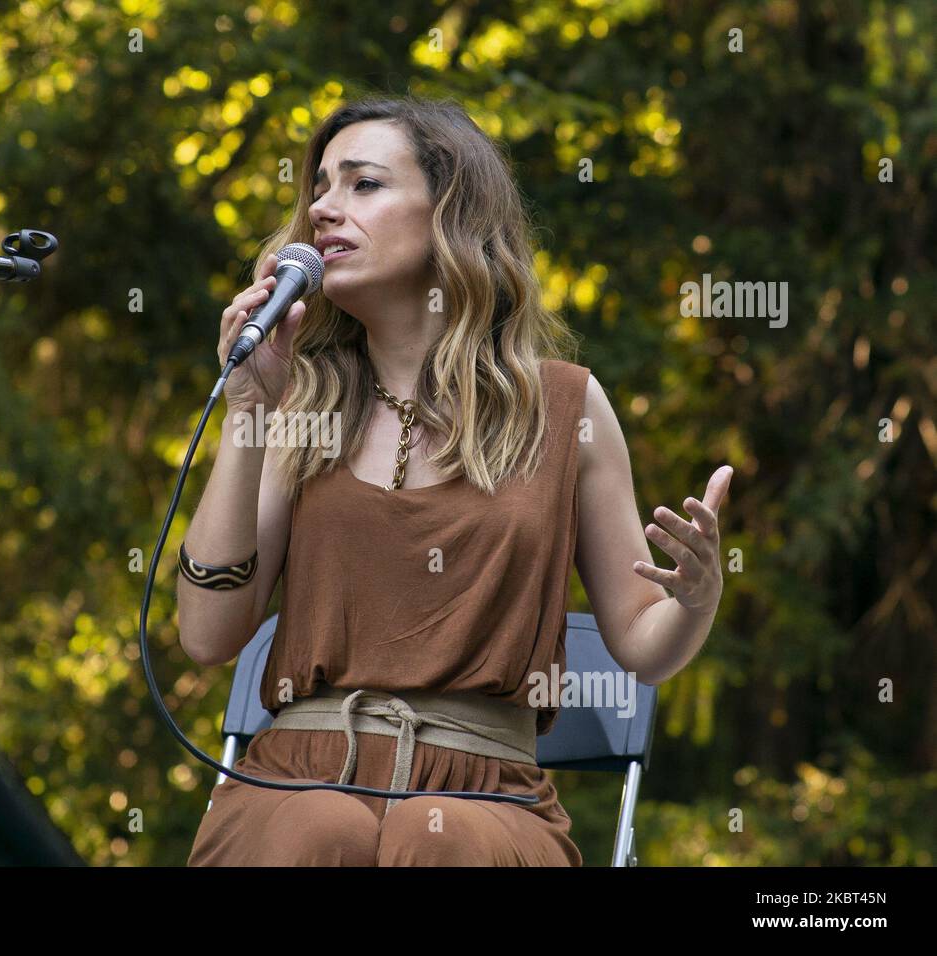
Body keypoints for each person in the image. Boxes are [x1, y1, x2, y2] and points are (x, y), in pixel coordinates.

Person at [179, 94, 732, 866]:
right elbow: (207, 636)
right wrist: (247, 414)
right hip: (296, 780)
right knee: (318, 831)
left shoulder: (568, 407)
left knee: (440, 840)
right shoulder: (293, 401)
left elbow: (642, 645)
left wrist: (695, 601)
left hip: (485, 792)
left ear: (450, 213)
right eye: (320, 190)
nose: (324, 211)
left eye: (362, 184)